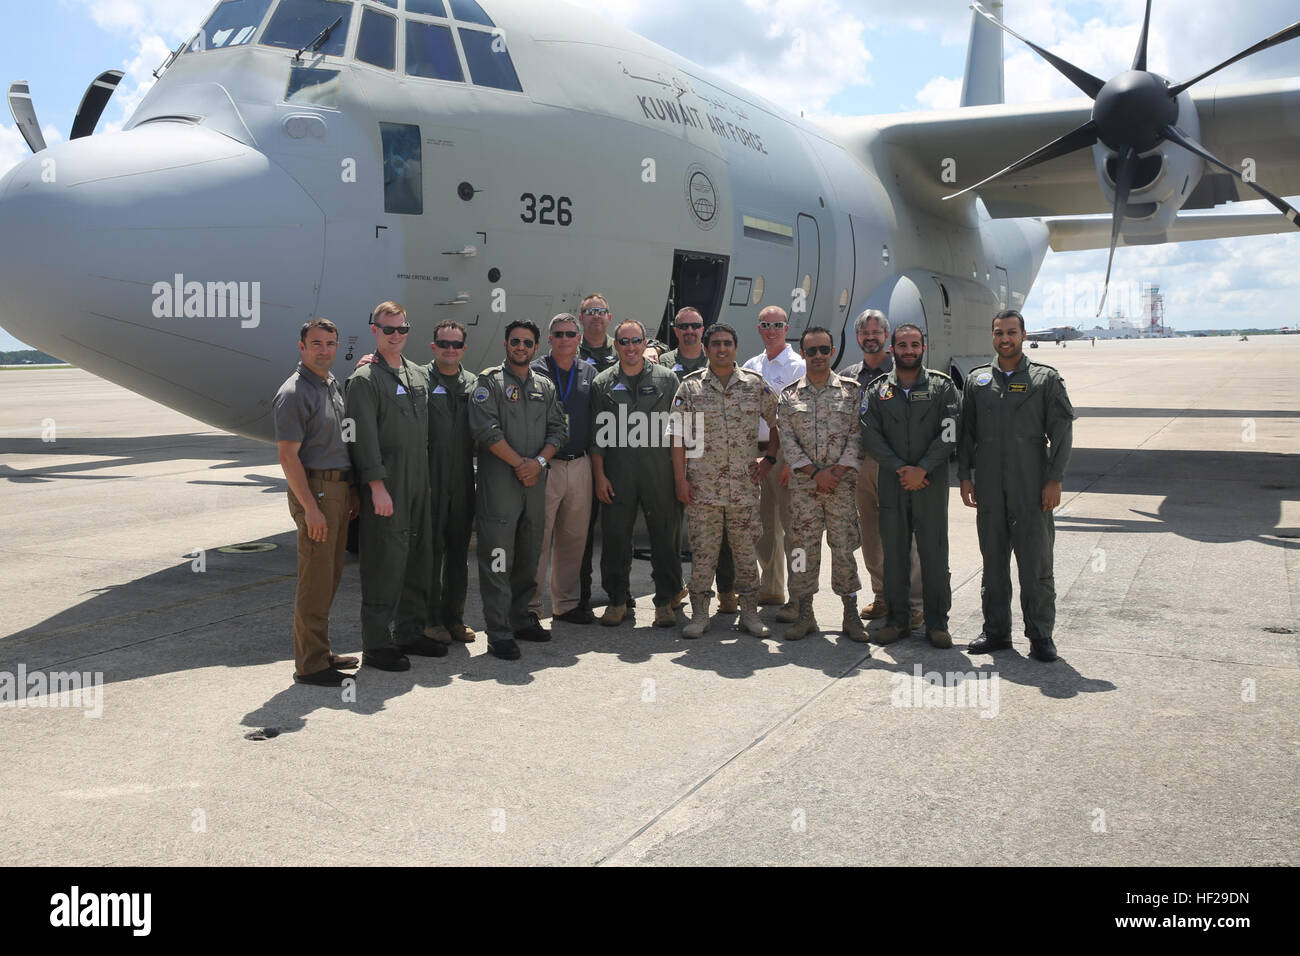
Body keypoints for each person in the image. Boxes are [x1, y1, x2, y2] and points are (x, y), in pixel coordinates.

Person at [959, 309, 1075, 662]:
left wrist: (1054, 479)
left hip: (1032, 487)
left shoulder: (1045, 379)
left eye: (1011, 332)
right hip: (990, 489)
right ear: (992, 336)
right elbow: (966, 434)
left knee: (1036, 564)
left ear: (1023, 335)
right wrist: (965, 475)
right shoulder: (977, 381)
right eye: (998, 333)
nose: (1005, 339)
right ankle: (996, 631)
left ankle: (1040, 635)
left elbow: (1062, 432)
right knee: (993, 563)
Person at [345, 301, 442, 671]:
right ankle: (376, 643)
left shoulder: (418, 375)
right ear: (374, 330)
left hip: (419, 481)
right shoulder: (365, 380)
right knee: (385, 562)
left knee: (418, 556)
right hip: (389, 484)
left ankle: (410, 631)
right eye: (389, 330)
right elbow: (362, 438)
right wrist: (375, 486)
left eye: (402, 329)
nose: (396, 336)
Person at [672, 323, 779, 639]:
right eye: (715, 344)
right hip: (702, 488)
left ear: (735, 348)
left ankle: (749, 614)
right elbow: (676, 436)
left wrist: (770, 458)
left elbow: (780, 422)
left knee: (746, 555)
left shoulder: (754, 386)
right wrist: (680, 479)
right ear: (706, 349)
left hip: (744, 489)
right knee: (703, 555)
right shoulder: (690, 388)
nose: (721, 349)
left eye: (727, 343)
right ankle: (700, 615)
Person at [469, 319, 568, 660]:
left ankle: (520, 618)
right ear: (506, 345)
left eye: (527, 342)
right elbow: (486, 429)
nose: (521, 347)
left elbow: (559, 428)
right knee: (498, 560)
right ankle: (498, 632)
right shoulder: (490, 382)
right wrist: (519, 465)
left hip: (534, 486)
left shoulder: (545, 385)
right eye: (515, 341)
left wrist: (538, 464)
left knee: (529, 555)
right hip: (501, 488)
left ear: (535, 347)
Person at [860, 324, 962, 648]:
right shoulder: (877, 390)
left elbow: (949, 432)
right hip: (892, 482)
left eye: (914, 344)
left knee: (934, 554)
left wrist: (922, 469)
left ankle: (937, 622)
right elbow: (869, 432)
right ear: (892, 349)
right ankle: (897, 620)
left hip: (930, 484)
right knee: (894, 555)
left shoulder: (942, 387)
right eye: (902, 344)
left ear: (923, 347)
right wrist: (899, 467)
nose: (908, 350)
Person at [273, 318, 361, 686]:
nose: (324, 350)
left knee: (330, 576)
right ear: (302, 346)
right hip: (317, 492)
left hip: (338, 491)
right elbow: (288, 457)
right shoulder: (294, 393)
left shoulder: (331, 385)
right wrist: (310, 507)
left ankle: (321, 650)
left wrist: (351, 489)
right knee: (314, 580)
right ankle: (309, 664)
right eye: (316, 343)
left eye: (330, 343)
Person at [590, 319, 684, 627]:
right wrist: (600, 476)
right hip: (619, 471)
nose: (630, 347)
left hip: (660, 471)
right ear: (615, 345)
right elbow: (596, 436)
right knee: (616, 537)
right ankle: (617, 600)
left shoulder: (668, 380)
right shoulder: (602, 383)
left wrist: (682, 475)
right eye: (624, 342)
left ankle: (665, 600)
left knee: (665, 536)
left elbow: (682, 430)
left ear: (645, 344)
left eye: (636, 341)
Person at [777, 326, 867, 642]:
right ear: (802, 353)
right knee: (802, 549)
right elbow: (787, 440)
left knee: (844, 549)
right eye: (811, 350)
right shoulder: (789, 395)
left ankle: (850, 613)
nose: (818, 356)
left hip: (841, 487)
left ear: (832, 351)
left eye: (824, 350)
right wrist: (817, 474)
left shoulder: (851, 391)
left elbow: (857, 435)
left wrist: (837, 472)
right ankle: (805, 613)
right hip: (805, 488)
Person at [840, 308, 923, 629]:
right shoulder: (848, 376)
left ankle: (915, 603)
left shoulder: (902, 371)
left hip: (897, 466)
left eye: (876, 333)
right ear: (858, 337)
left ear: (886, 337)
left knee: (906, 535)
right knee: (871, 536)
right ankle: (882, 595)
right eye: (865, 333)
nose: (870, 338)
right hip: (862, 467)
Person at [660, 307, 737, 612]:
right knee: (672, 528)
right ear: (675, 330)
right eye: (683, 326)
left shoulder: (718, 360)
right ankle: (674, 588)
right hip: (672, 452)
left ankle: (727, 590)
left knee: (723, 530)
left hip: (712, 457)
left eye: (695, 325)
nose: (689, 330)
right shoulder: (663, 362)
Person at [531, 313, 597, 625]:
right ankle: (530, 605)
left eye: (571, 334)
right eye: (558, 334)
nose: (565, 339)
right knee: (538, 537)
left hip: (580, 463)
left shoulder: (589, 373)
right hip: (546, 465)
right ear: (550, 339)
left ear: (579, 339)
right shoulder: (535, 370)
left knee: (573, 537)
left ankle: (567, 604)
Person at [741, 306, 804, 623]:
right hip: (756, 451)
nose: (771, 330)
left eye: (777, 325)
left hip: (785, 454)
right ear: (759, 328)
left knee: (793, 527)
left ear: (786, 327)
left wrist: (792, 460)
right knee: (763, 525)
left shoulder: (797, 366)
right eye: (765, 324)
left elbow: (798, 417)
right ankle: (772, 586)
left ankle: (798, 595)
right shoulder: (752, 365)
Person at [421, 320, 479, 645]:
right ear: (434, 347)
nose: (450, 350)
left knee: (459, 553)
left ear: (463, 349)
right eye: (444, 344)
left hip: (462, 478)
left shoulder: (473, 383)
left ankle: (454, 618)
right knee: (431, 553)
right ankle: (430, 620)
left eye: (456, 345)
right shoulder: (419, 380)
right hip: (431, 477)